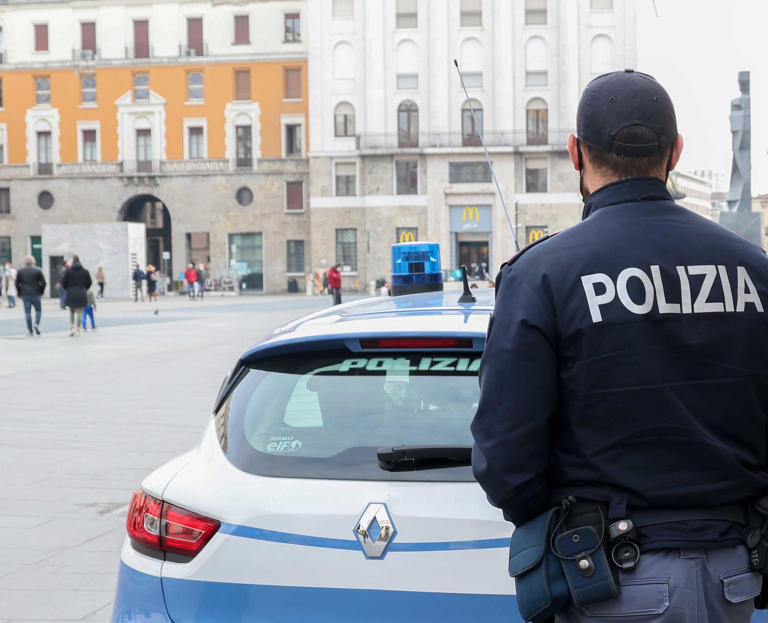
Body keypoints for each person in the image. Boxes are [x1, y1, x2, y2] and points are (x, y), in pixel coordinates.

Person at [471, 69, 768, 623]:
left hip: (608, 581)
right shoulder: (754, 270)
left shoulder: (544, 275)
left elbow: (505, 457)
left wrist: (560, 520)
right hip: (734, 580)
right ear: (675, 152)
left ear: (575, 153)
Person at [62, 254, 92, 337]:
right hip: (82, 293)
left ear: (73, 262)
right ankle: (78, 329)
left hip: (71, 293)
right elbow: (89, 283)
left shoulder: (68, 271)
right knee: (80, 312)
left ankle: (72, 328)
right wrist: (84, 288)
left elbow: (64, 283)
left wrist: (68, 289)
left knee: (71, 312)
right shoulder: (85, 271)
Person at [15, 255, 46, 336]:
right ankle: (36, 324)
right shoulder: (38, 270)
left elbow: (17, 283)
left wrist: (19, 293)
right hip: (36, 293)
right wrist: (41, 291)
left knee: (27, 312)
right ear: (33, 261)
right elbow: (43, 283)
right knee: (38, 310)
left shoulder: (20, 271)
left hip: (25, 294)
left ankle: (30, 330)